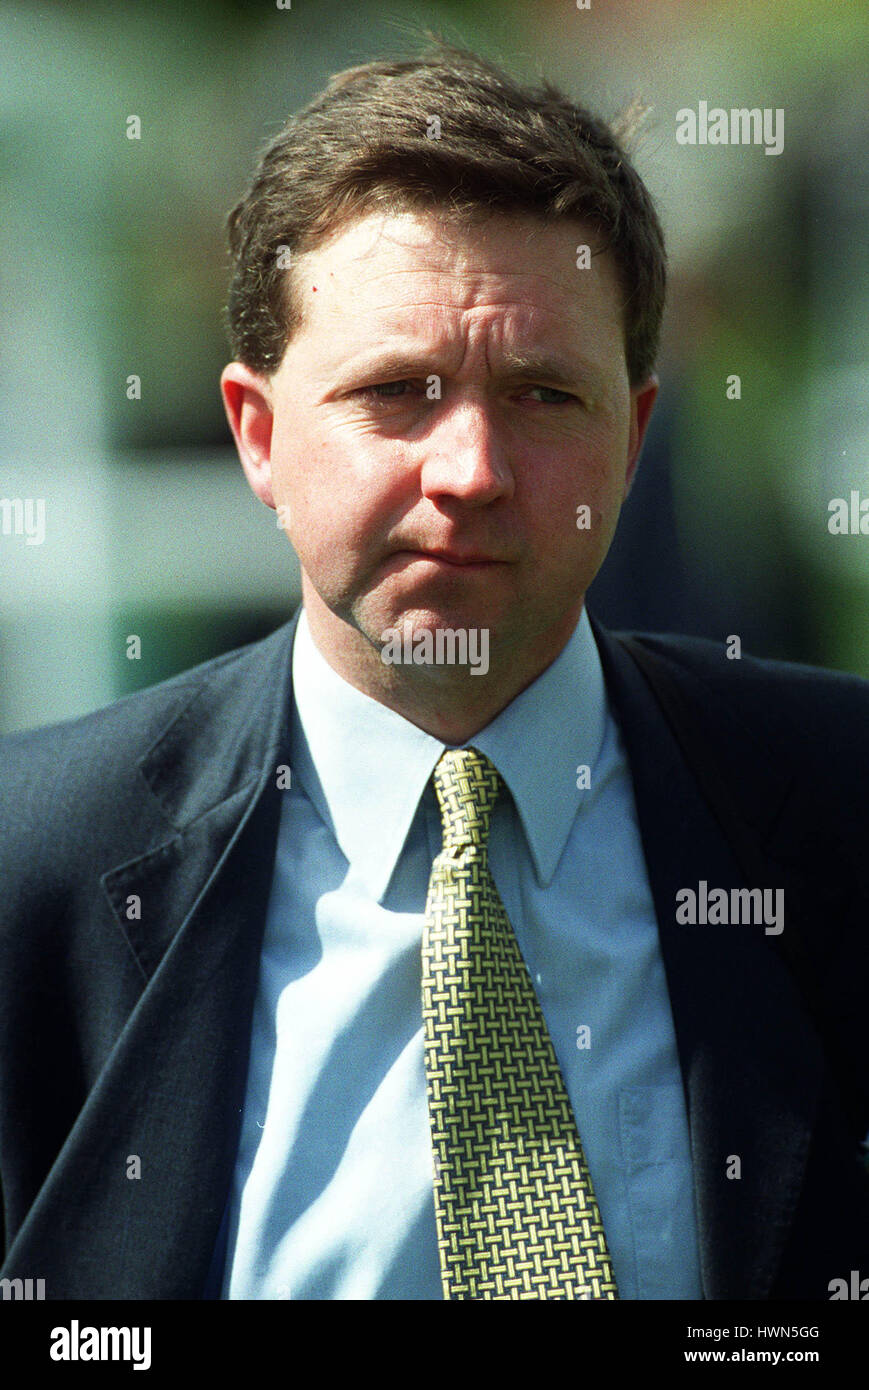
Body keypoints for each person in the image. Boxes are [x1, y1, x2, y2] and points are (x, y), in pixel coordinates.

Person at [1, 41, 867, 1303]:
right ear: (258, 432)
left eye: (541, 395)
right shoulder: (39, 871)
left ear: (632, 439)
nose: (469, 469)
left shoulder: (837, 812)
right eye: (398, 391)